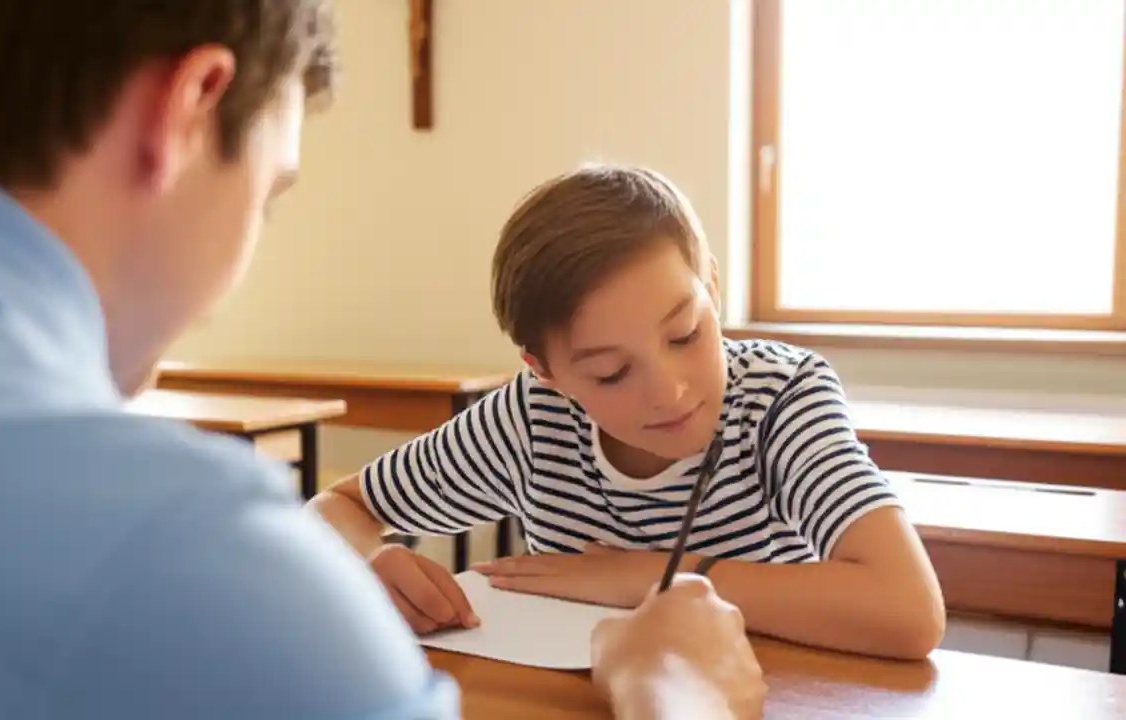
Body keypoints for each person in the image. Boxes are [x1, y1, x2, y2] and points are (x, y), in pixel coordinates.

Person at [0, 2, 763, 718]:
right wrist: (678, 695)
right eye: (270, 193)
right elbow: (352, 510)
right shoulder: (178, 552)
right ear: (189, 108)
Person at [310, 165, 947, 660]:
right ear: (548, 373)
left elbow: (909, 610)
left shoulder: (780, 398)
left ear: (712, 291)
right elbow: (337, 508)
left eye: (686, 334)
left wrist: (645, 577)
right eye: (611, 373)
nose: (668, 390)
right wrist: (366, 564)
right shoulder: (532, 418)